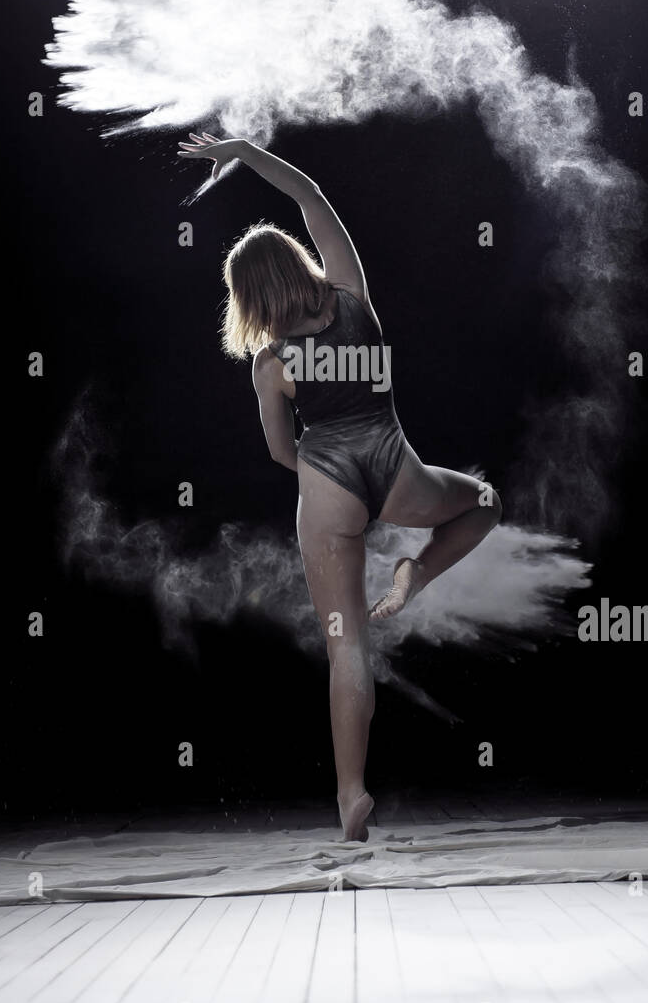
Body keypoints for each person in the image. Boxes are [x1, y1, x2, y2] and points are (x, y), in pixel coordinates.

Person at [178, 133, 503, 840]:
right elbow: (309, 195)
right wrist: (242, 151)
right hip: (396, 469)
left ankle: (351, 795)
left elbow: (276, 449)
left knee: (346, 646)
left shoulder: (269, 364)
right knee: (483, 503)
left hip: (327, 486)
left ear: (245, 297)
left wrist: (326, 481)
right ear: (296, 264)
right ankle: (414, 573)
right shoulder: (350, 293)